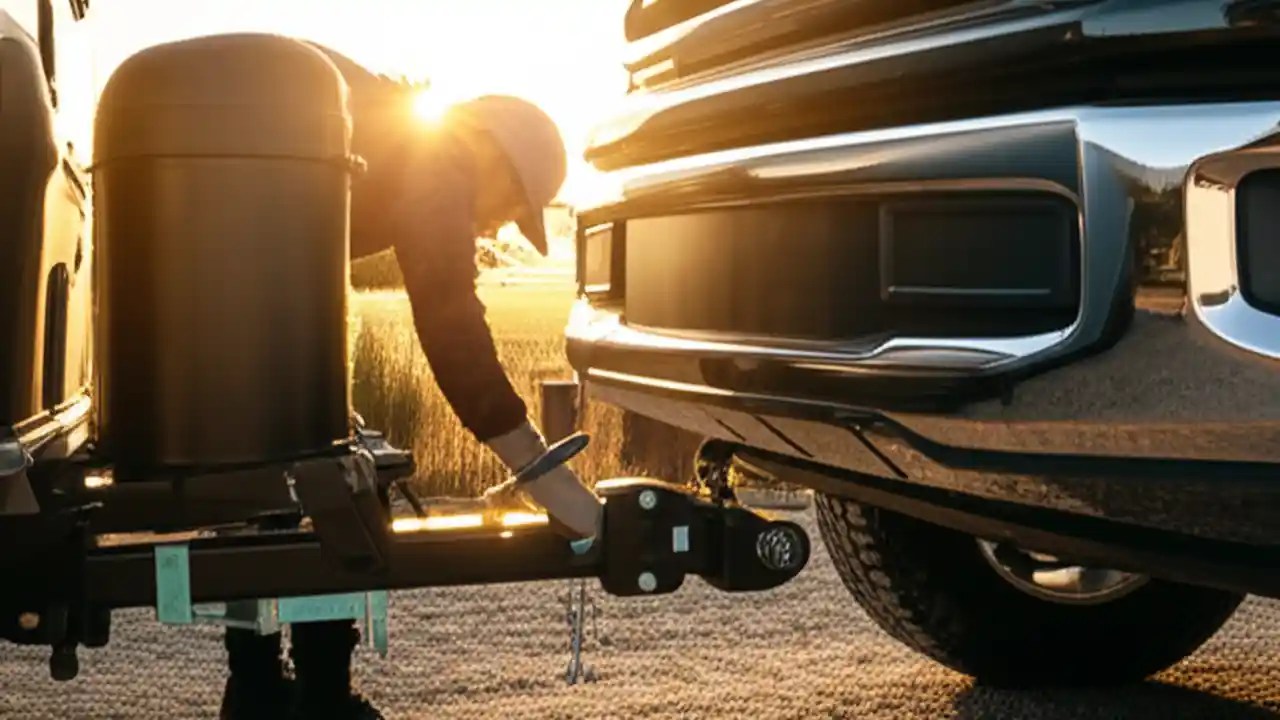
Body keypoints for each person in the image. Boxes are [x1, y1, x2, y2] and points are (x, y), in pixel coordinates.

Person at [218, 42, 604, 720]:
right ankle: (317, 701)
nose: (496, 225)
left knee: (284, 500)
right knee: (337, 498)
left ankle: (258, 691)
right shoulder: (441, 153)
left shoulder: (387, 133)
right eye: (512, 207)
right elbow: (449, 317)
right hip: (223, 305)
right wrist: (544, 475)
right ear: (493, 152)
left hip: (214, 311)